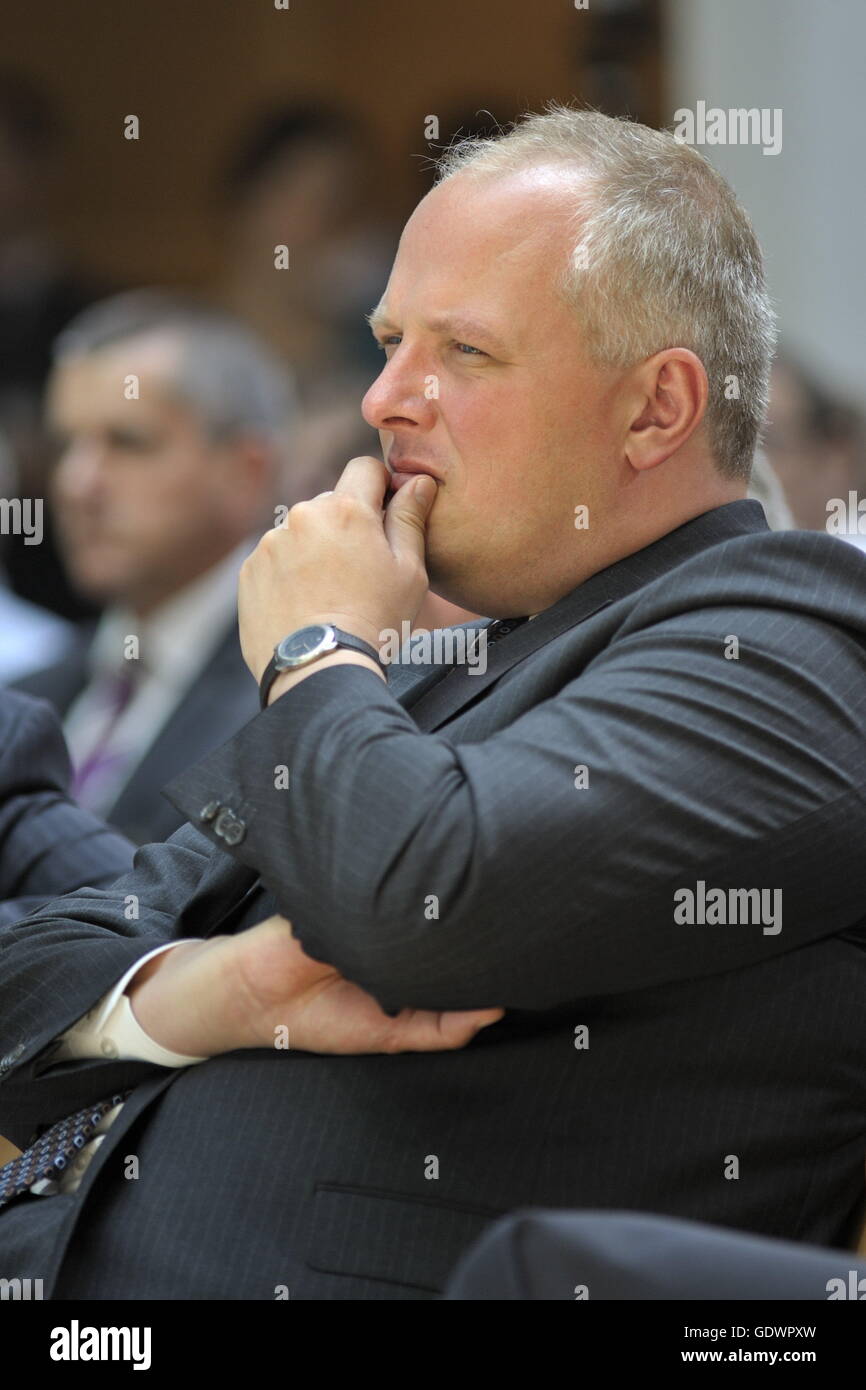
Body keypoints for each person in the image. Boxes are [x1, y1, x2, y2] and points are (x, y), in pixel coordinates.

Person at [1, 104, 866, 1301]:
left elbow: (426, 894)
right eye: (386, 339)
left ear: (655, 409)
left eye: (461, 353)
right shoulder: (418, 668)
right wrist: (210, 993)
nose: (382, 399)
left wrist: (311, 646)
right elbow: (47, 952)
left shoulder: (792, 640)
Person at [14, 292, 297, 843]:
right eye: (65, 444)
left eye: (127, 442)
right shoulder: (31, 692)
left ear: (248, 471)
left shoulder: (293, 698)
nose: (77, 483)